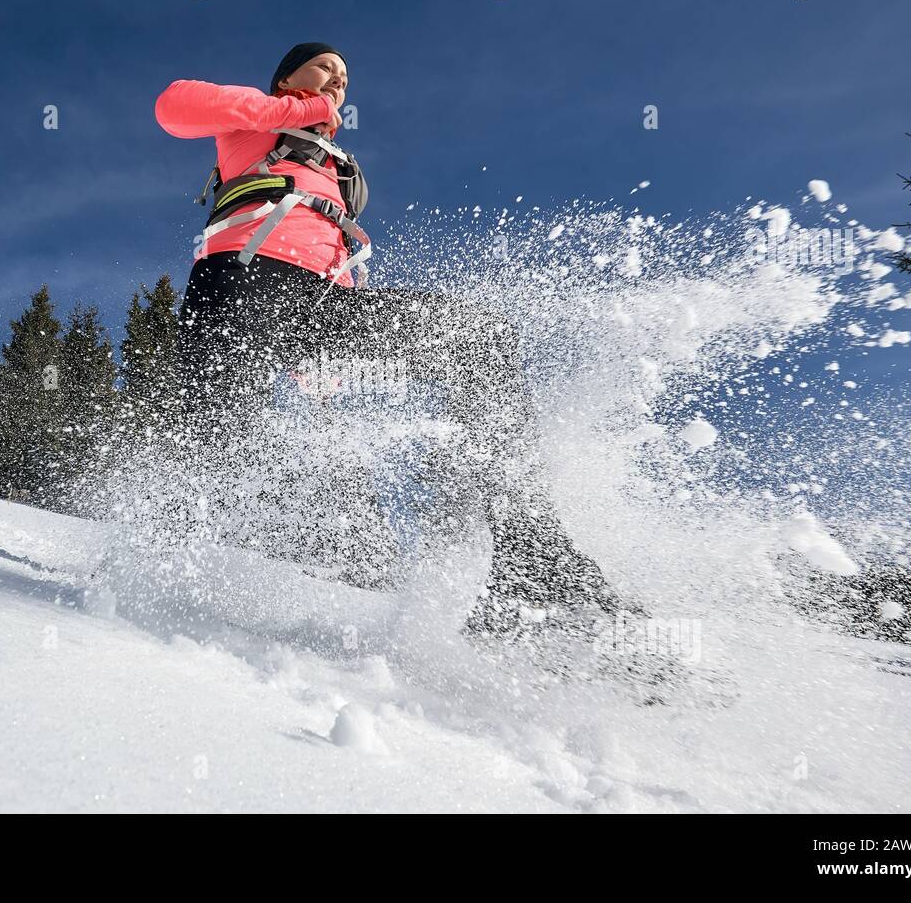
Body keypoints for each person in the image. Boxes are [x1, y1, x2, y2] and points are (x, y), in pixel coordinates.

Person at [154, 43, 635, 635]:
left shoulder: (334, 166)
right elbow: (173, 106)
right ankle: (153, 579)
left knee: (477, 339)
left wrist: (326, 359)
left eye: (344, 76)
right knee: (207, 442)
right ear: (285, 79)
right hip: (241, 285)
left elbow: (327, 251)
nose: (337, 80)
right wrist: (294, 110)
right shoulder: (257, 118)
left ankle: (528, 552)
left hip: (319, 306)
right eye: (324, 68)